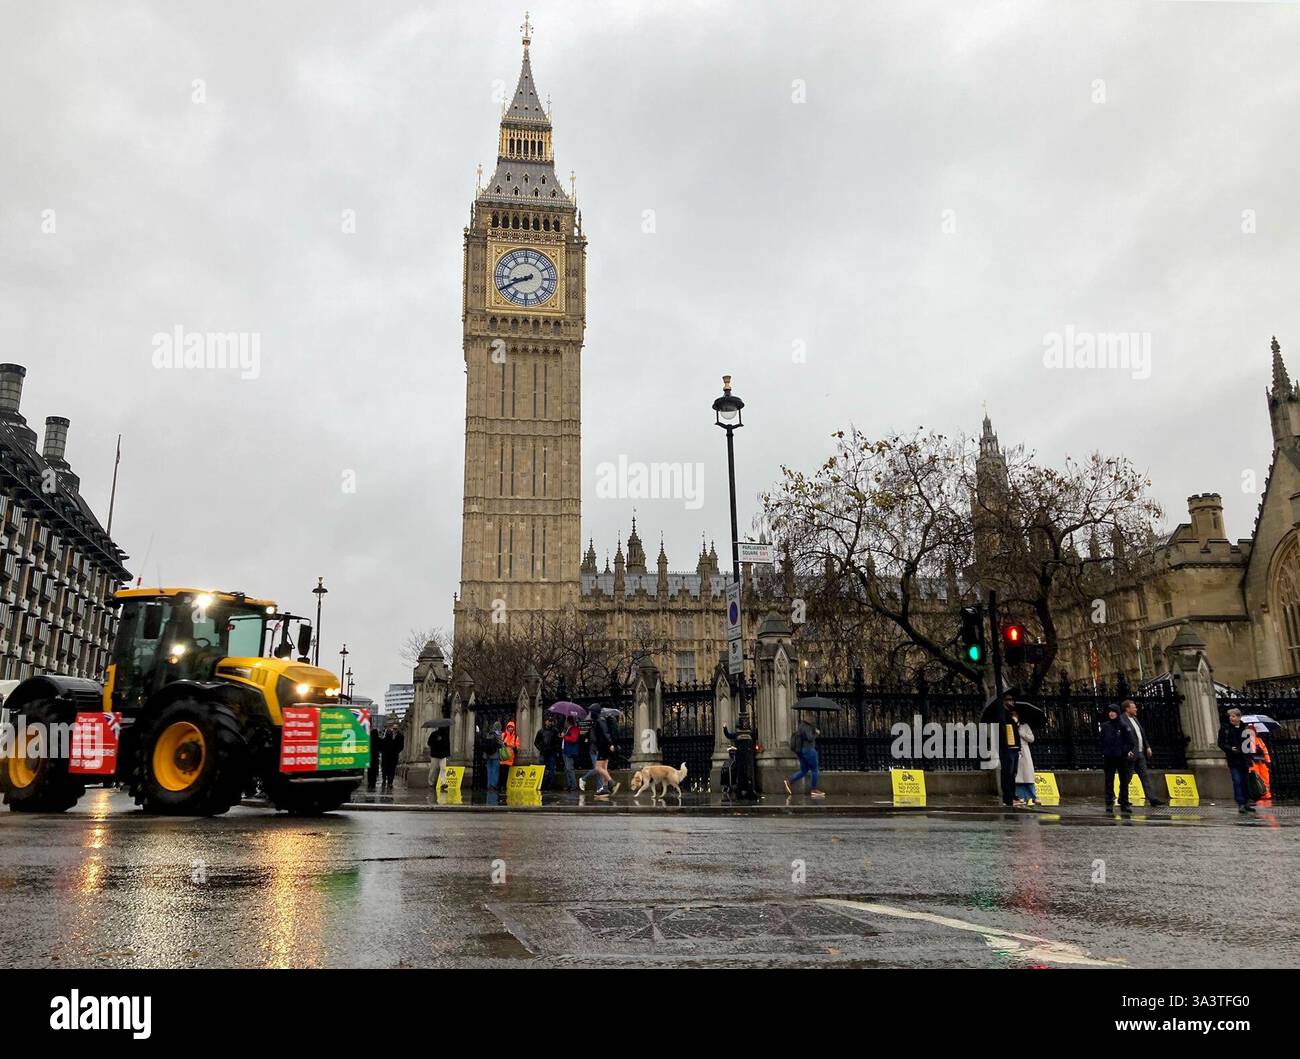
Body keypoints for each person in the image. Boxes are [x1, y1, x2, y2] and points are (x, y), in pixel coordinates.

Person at [1120, 699, 1165, 806]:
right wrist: (1126, 751)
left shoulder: (1135, 719)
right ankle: (1122, 798)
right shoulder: (1122, 720)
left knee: (1145, 776)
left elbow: (1141, 734)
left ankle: (1152, 799)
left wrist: (1147, 746)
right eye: (1133, 707)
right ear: (1127, 708)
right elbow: (1121, 738)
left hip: (1140, 753)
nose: (1136, 709)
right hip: (1131, 754)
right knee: (1127, 777)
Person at [1218, 707, 1257, 814]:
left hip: (1244, 759)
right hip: (1233, 759)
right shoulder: (1225, 728)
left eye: (1233, 716)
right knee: (1237, 781)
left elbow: (1248, 744)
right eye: (1230, 716)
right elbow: (1221, 743)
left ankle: (1246, 802)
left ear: (1239, 717)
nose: (1231, 718)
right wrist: (1231, 748)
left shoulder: (1245, 728)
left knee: (1245, 781)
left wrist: (1249, 754)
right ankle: (1241, 804)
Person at [1100, 703, 1134, 813]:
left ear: (1117, 713)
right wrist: (1104, 750)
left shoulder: (1123, 726)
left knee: (1123, 781)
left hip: (1121, 758)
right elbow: (1100, 740)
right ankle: (1109, 802)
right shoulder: (1105, 726)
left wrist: (1123, 751)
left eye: (1113, 711)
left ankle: (1124, 802)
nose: (1111, 713)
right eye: (1110, 712)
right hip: (1109, 757)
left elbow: (1130, 742)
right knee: (1109, 780)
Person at [784, 715, 824, 798]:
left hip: (801, 751)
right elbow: (809, 738)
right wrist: (816, 733)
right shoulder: (807, 727)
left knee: (804, 770)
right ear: (808, 718)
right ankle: (814, 789)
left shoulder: (801, 726)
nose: (813, 718)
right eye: (811, 717)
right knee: (815, 769)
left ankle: (789, 781)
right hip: (809, 750)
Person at [584, 704, 619, 796]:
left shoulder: (600, 720)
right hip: (605, 746)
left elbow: (605, 732)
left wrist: (610, 743)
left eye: (591, 711)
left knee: (598, 767)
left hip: (604, 747)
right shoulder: (600, 719)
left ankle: (612, 782)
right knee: (604, 768)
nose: (590, 714)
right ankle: (605, 788)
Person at [995, 692, 1021, 807]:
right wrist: (1014, 720)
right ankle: (1008, 798)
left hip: (1014, 747)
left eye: (1012, 700)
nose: (1012, 702)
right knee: (1007, 773)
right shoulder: (1002, 714)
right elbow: (1003, 729)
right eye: (1009, 700)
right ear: (1004, 701)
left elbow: (1016, 732)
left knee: (1013, 773)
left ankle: (1013, 796)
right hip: (1007, 748)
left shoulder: (1011, 714)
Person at [1013, 710, 1039, 806]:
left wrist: (1022, 733)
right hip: (1015, 751)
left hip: (1024, 750)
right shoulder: (1010, 726)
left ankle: (1034, 796)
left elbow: (1031, 738)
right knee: (1018, 776)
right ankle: (1020, 796)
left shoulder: (1025, 726)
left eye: (1015, 714)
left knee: (1027, 775)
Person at [534, 717, 561, 790]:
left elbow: (558, 742)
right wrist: (541, 748)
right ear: (545, 722)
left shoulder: (555, 731)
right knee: (542, 770)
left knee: (552, 770)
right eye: (548, 721)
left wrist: (555, 749)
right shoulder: (541, 731)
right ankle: (543, 785)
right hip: (543, 753)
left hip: (552, 753)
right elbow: (536, 742)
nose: (550, 722)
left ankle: (550, 785)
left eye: (551, 721)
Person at [426, 722, 450, 792]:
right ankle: (431, 782)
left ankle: (443, 783)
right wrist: (436, 740)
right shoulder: (434, 734)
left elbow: (447, 744)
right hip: (435, 754)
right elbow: (429, 743)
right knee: (433, 769)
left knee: (443, 769)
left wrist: (447, 754)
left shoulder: (445, 735)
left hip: (443, 755)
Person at [380, 724, 404, 791]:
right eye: (393, 728)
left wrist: (396, 751)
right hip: (386, 756)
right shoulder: (387, 735)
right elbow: (383, 744)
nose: (394, 730)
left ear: (398, 729)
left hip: (394, 756)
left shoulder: (400, 736)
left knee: (392, 769)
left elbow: (401, 746)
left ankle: (390, 782)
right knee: (385, 769)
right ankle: (384, 779)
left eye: (396, 729)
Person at [481, 721, 503, 793]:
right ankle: (494, 785)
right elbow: (500, 742)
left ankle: (489, 785)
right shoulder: (497, 732)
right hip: (495, 755)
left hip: (487, 755)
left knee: (489, 770)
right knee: (495, 770)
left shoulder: (489, 733)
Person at [561, 717, 581, 791]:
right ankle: (569, 784)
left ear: (568, 722)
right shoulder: (567, 729)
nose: (564, 723)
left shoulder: (574, 729)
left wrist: (564, 737)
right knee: (566, 768)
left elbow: (573, 739)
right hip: (565, 750)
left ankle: (573, 785)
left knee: (569, 768)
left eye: (565, 721)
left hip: (570, 751)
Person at [501, 719, 520, 787]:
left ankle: (504, 786)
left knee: (506, 773)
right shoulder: (503, 735)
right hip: (503, 757)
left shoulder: (515, 737)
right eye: (509, 727)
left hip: (510, 758)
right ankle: (501, 786)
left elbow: (517, 747)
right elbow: (500, 743)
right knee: (502, 772)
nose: (510, 728)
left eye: (511, 727)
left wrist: (510, 745)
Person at [366, 722, 380, 791]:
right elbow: (381, 748)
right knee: (374, 771)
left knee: (370, 771)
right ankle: (373, 784)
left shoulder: (368, 740)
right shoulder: (378, 740)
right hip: (375, 758)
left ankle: (369, 783)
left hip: (369, 757)